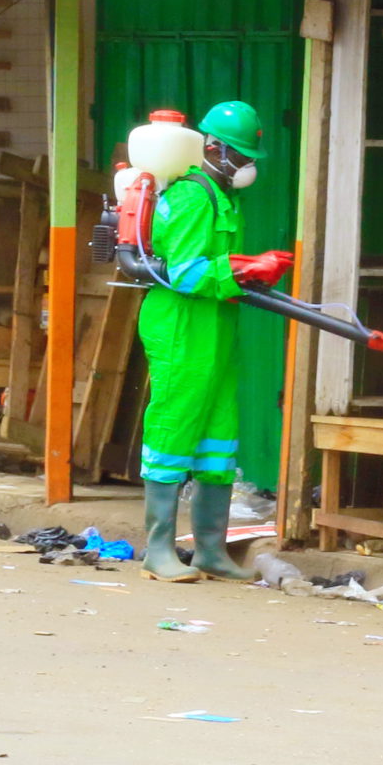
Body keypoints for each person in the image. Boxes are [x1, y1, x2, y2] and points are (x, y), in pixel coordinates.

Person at [136, 99, 292, 584]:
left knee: (218, 437)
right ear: (214, 149)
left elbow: (213, 269)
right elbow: (184, 274)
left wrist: (248, 270)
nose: (246, 166)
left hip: (216, 326)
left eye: (249, 158)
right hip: (182, 326)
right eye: (240, 156)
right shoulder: (191, 197)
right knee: (173, 430)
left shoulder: (223, 198)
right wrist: (243, 269)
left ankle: (209, 551)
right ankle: (158, 552)